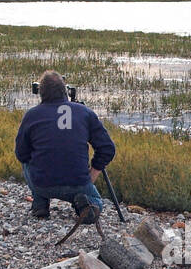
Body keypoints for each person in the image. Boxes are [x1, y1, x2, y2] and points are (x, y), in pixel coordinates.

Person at [15, 70, 116, 222]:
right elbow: (107, 148)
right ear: (65, 91)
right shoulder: (84, 112)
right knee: (97, 202)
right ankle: (86, 205)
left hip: (42, 183)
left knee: (27, 161)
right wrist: (91, 176)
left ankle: (40, 203)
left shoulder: (32, 115)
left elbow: (21, 154)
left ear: (40, 92)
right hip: (78, 182)